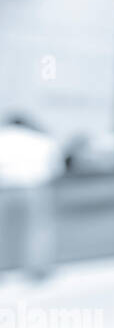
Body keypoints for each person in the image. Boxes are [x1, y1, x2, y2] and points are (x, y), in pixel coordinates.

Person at [0, 115, 64, 280]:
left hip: (4, 188)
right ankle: (38, 271)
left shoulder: (3, 137)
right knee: (39, 230)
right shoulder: (42, 139)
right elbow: (57, 168)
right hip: (35, 187)